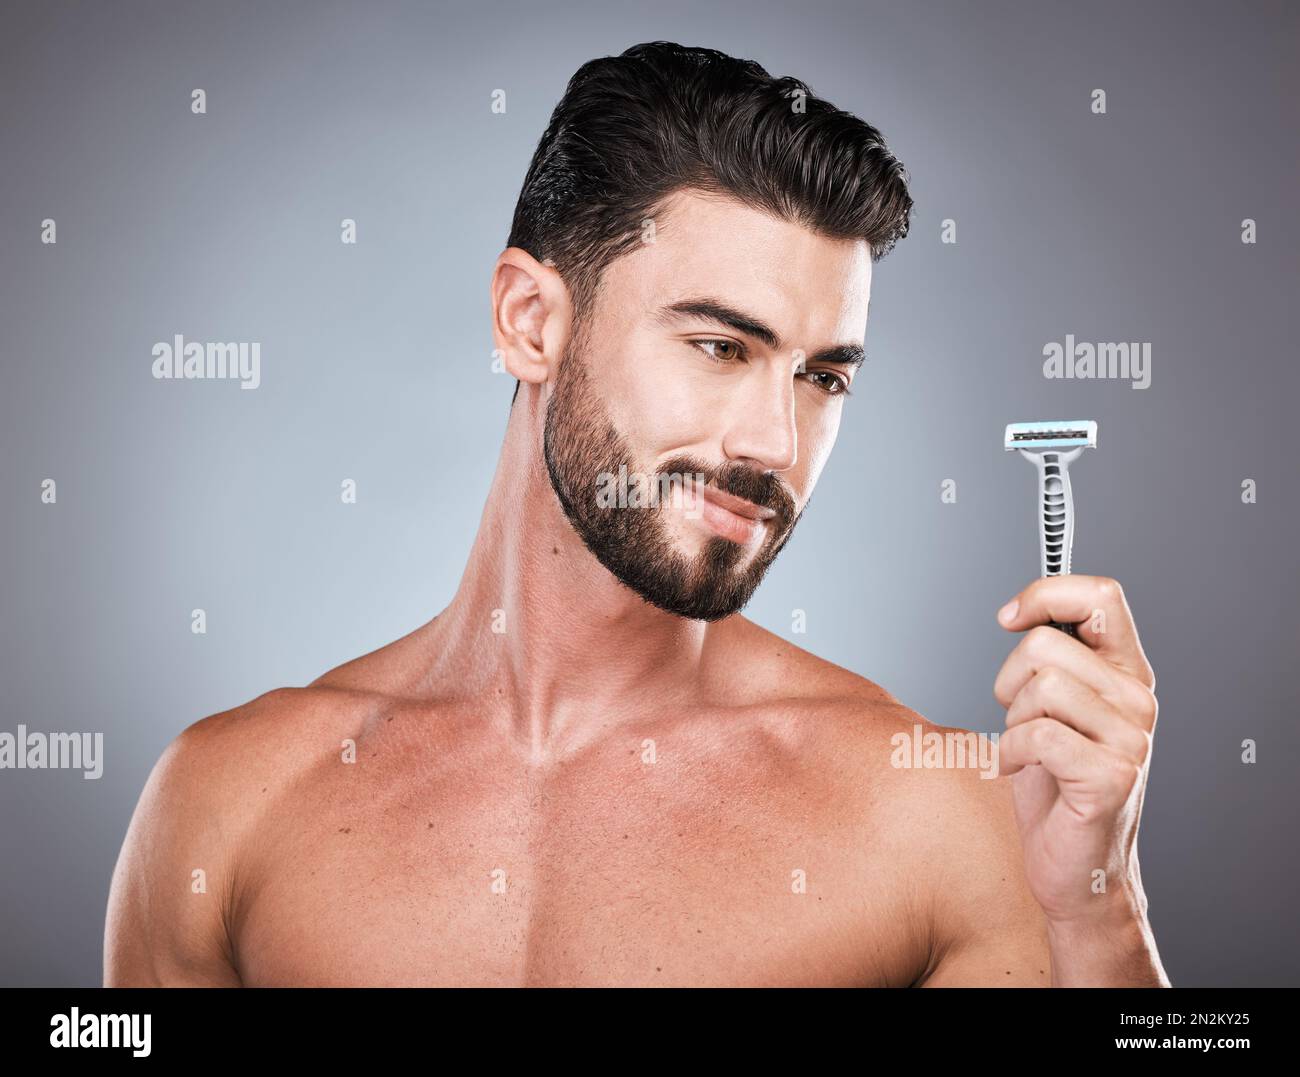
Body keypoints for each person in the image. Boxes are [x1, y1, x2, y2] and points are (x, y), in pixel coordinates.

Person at [105, 41, 1167, 987]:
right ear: (530, 323)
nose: (773, 445)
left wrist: (1096, 906)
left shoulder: (937, 823)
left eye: (823, 378)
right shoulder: (230, 807)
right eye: (720, 347)